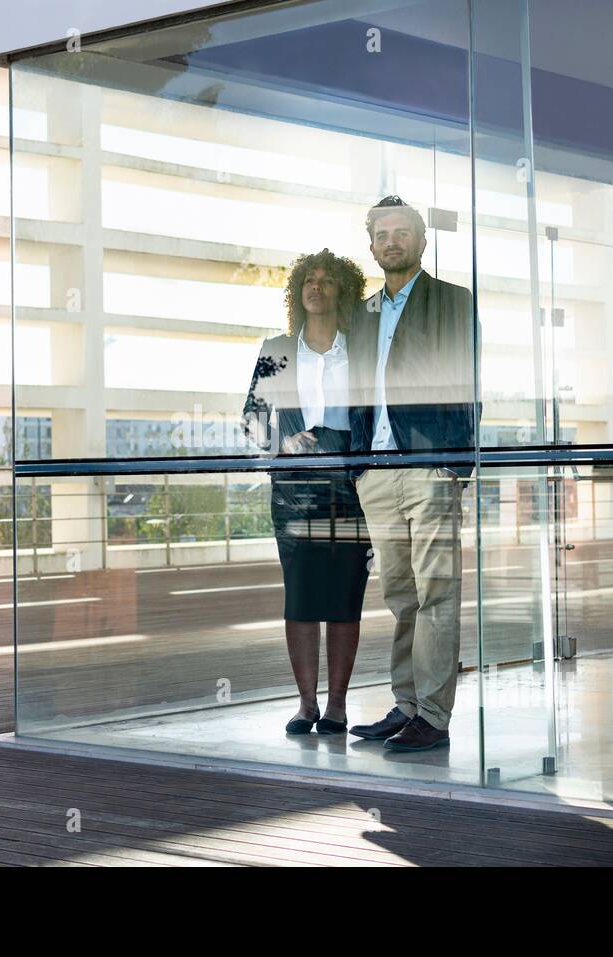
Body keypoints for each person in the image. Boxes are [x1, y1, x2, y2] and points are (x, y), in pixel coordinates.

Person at [346, 196, 477, 752]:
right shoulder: (362, 314)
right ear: (372, 246)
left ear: (422, 243)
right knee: (400, 596)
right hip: (375, 470)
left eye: (403, 232)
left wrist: (458, 459)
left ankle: (433, 715)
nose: (392, 241)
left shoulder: (451, 301)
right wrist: (355, 465)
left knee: (437, 595)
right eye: (383, 233)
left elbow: (466, 377)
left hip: (428, 465)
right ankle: (405, 705)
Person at [243, 249, 372, 735]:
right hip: (295, 488)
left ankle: (337, 705)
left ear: (343, 292)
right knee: (299, 597)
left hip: (351, 483)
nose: (317, 287)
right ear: (298, 293)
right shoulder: (276, 348)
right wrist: (283, 442)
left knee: (345, 596)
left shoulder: (359, 349)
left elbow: (378, 414)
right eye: (309, 281)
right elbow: (252, 417)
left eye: (328, 280)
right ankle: (306, 704)